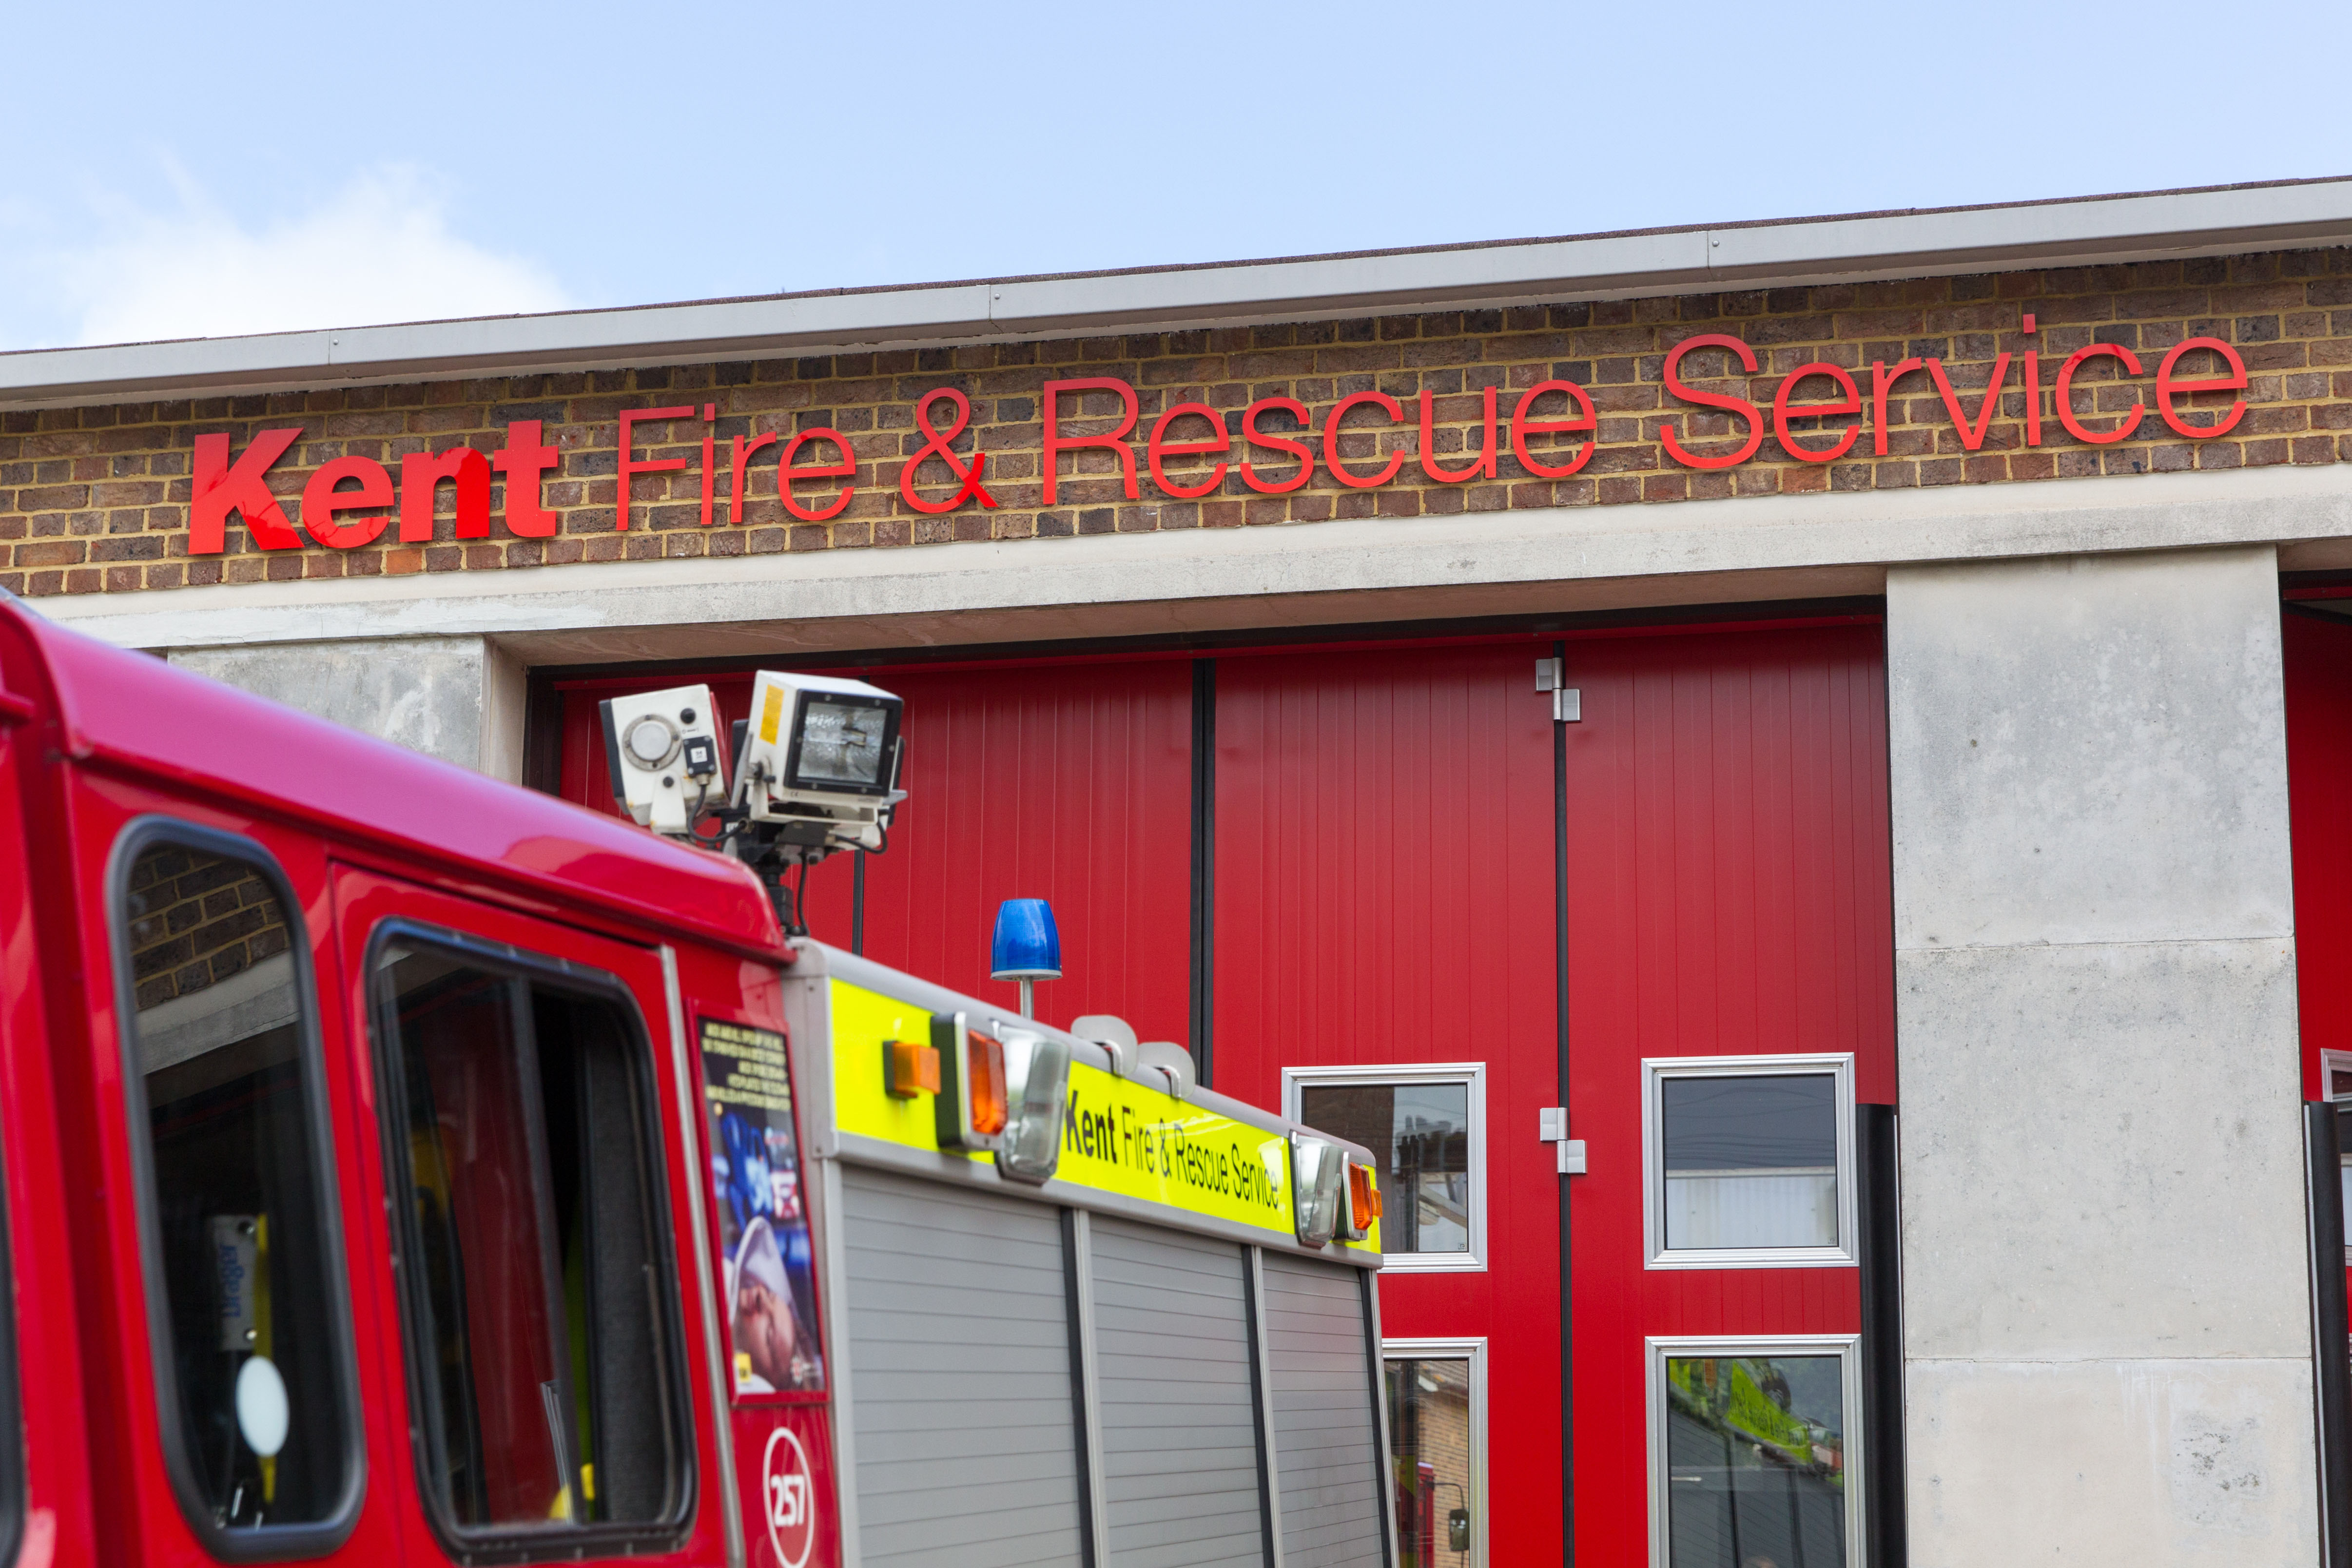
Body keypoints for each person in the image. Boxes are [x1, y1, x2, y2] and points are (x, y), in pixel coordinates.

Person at [728, 1216, 810, 1392]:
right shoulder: (722, 1277)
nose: (761, 1296)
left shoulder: (736, 1381)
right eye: (771, 1295)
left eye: (769, 1334)